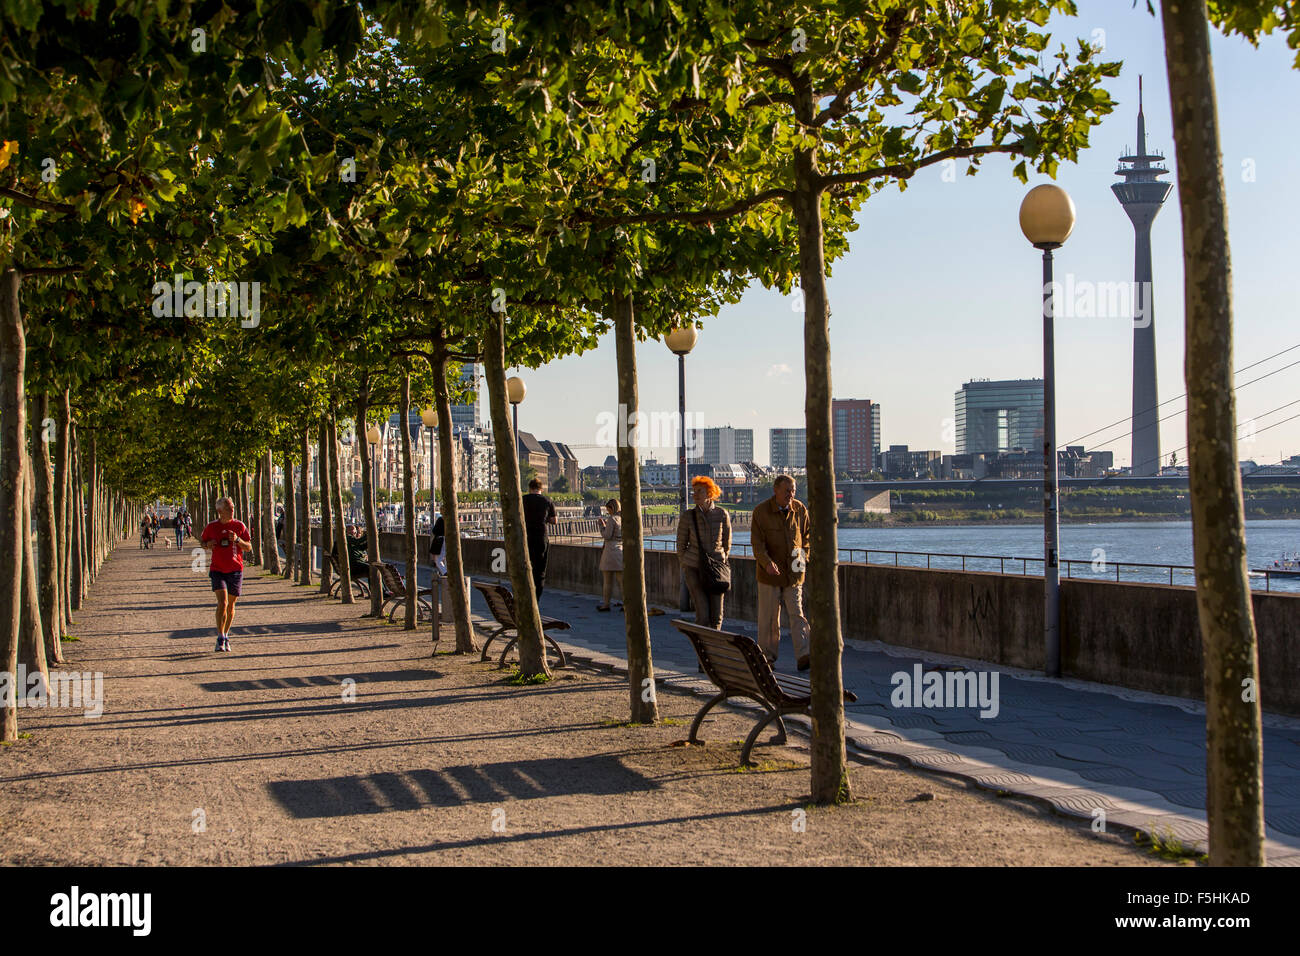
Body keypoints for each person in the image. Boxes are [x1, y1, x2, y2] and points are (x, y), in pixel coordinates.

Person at [751, 474, 812, 671]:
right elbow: (757, 544)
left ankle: (804, 654)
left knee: (797, 613)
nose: (791, 494)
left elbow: (807, 537)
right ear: (775, 490)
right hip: (769, 575)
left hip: (794, 572)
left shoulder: (800, 509)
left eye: (793, 490)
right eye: (787, 490)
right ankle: (767, 657)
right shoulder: (761, 512)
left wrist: (803, 560)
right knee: (769, 617)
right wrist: (767, 563)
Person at [676, 476, 731, 629]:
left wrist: (722, 557)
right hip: (693, 567)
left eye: (699, 491)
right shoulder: (688, 516)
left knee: (717, 615)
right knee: (703, 613)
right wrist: (685, 563)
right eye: (694, 492)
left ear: (710, 493)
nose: (695, 495)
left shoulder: (721, 514)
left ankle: (714, 646)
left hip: (717, 569)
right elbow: (680, 544)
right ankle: (702, 649)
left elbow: (727, 541)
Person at [201, 496, 252, 652]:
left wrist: (237, 540)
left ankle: (226, 634)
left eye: (233, 507)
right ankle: (220, 636)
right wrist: (208, 545)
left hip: (236, 570)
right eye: (229, 508)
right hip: (217, 569)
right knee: (222, 603)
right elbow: (202, 543)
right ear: (220, 511)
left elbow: (248, 547)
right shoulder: (211, 527)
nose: (232, 510)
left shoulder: (239, 526)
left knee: (230, 606)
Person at [521, 477, 556, 598]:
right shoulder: (547, 500)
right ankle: (536, 598)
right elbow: (554, 520)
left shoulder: (523, 500)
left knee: (525, 568)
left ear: (530, 488)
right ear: (541, 488)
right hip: (541, 538)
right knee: (540, 571)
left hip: (526, 538)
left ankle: (525, 595)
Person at [597, 498, 623, 611]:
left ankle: (606, 604)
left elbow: (607, 536)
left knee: (607, 581)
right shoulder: (622, 519)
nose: (608, 512)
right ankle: (626, 604)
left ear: (612, 508)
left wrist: (602, 526)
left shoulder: (612, 519)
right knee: (622, 582)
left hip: (610, 551)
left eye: (608, 510)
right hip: (620, 550)